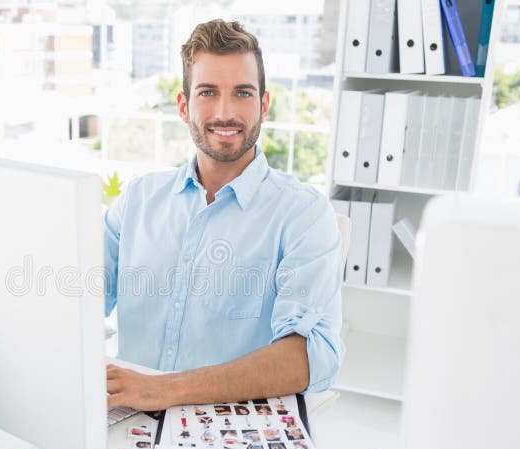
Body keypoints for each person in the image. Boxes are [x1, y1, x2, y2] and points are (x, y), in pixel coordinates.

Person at [104, 19, 343, 411]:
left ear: (263, 105)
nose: (225, 112)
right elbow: (78, 300)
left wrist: (163, 390)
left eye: (243, 93)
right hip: (128, 424)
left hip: (233, 433)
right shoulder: (138, 200)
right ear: (184, 107)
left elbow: (311, 356)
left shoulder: (303, 215)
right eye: (208, 92)